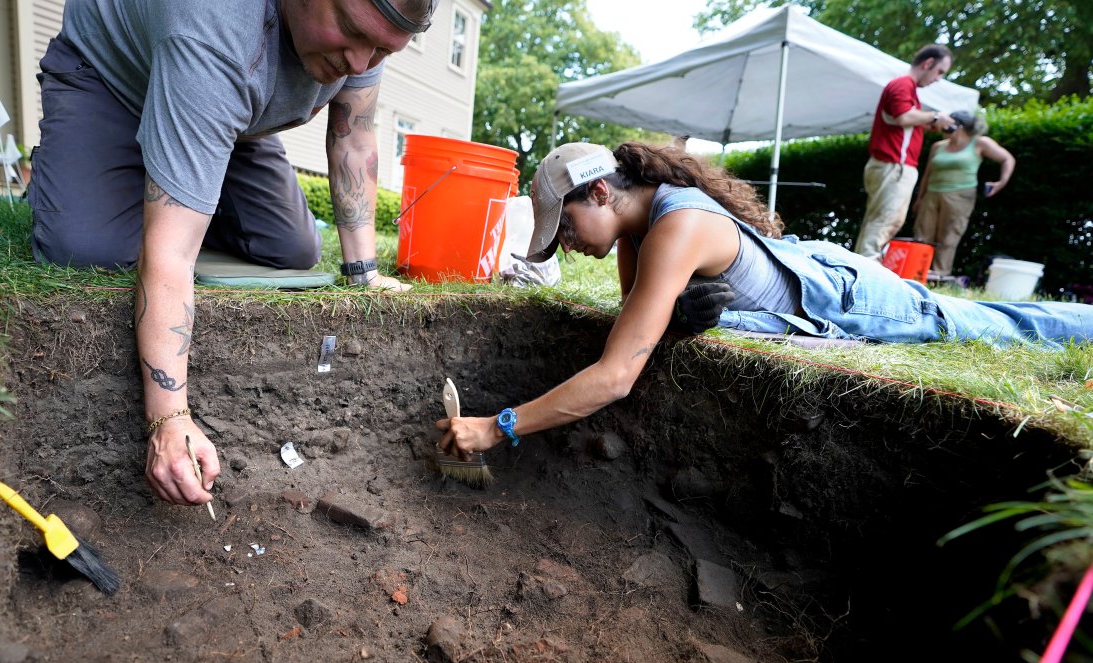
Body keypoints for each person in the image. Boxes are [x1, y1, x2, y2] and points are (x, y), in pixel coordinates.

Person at [435, 141, 1092, 457]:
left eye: (566, 228)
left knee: (994, 323)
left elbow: (615, 376)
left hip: (849, 297)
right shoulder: (639, 231)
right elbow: (640, 323)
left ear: (600, 193)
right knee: (990, 319)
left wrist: (500, 426)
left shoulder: (675, 227)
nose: (568, 245)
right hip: (815, 270)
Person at [28, 0, 436, 507]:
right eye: (352, 34)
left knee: (293, 248)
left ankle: (191, 173)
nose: (360, 63)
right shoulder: (213, 28)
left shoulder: (366, 36)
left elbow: (354, 141)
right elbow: (171, 255)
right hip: (112, 83)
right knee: (86, 247)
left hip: (230, 114)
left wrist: (363, 273)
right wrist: (169, 418)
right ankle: (85, 175)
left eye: (382, 50)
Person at [853, 45, 956, 261]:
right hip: (894, 166)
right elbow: (903, 117)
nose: (938, 79)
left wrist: (930, 124)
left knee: (877, 222)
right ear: (927, 63)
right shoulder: (903, 85)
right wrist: (935, 117)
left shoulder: (906, 89)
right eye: (940, 72)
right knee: (886, 222)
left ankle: (859, 269)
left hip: (888, 166)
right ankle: (868, 274)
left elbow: (902, 121)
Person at [912, 111, 1015, 277]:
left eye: (948, 123)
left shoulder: (979, 143)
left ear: (960, 126)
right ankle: (916, 272)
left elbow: (1007, 159)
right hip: (932, 194)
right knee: (923, 234)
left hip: (960, 196)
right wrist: (920, 198)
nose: (943, 126)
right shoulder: (938, 146)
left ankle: (939, 274)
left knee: (949, 236)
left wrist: (1001, 182)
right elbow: (927, 174)